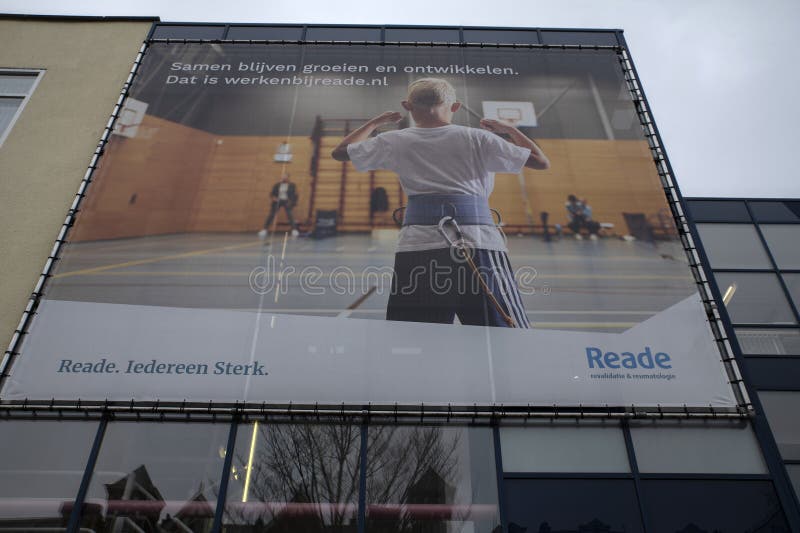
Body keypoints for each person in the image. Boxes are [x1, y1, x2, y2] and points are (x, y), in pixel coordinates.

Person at [331, 78, 550, 328]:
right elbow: (541, 161)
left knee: (414, 336)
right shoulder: (478, 138)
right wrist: (509, 129)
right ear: (455, 107)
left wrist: (376, 123)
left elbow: (340, 152)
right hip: (478, 243)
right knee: (503, 333)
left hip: (418, 246)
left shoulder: (395, 140)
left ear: (407, 106)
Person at [259, 172, 299, 238]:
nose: (283, 178)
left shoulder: (292, 185)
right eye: (282, 177)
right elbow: (272, 194)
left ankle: (294, 230)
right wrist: (274, 198)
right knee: (271, 215)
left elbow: (295, 195)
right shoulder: (277, 185)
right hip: (278, 201)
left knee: (290, 215)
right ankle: (264, 230)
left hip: (287, 201)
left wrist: (292, 202)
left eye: (285, 177)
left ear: (288, 178)